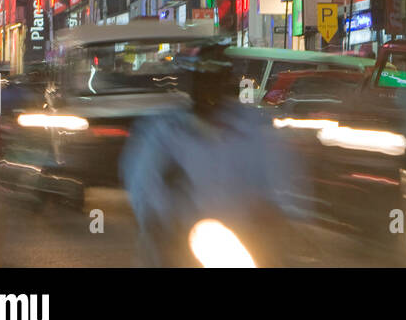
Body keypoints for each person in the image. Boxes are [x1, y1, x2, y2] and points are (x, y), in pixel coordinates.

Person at [120, 42, 295, 267]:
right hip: (179, 246)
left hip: (241, 246)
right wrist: (161, 223)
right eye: (201, 80)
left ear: (225, 82)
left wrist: (274, 220)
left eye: (214, 80)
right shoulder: (162, 133)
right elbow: (143, 188)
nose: (208, 89)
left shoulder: (254, 130)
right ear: (191, 84)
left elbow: (279, 182)